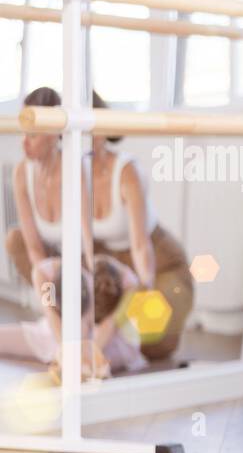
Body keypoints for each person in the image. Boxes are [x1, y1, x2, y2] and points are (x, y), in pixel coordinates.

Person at [5, 87, 195, 361]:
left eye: (90, 130)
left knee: (154, 341)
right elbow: (67, 251)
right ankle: (71, 332)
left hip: (155, 258)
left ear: (103, 129)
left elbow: (142, 248)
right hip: (107, 262)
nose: (83, 140)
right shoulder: (70, 169)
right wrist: (62, 317)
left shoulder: (125, 171)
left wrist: (140, 295)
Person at [0, 255, 147, 380]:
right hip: (55, 331)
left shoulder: (129, 286)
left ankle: (83, 366)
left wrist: (85, 355)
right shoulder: (45, 274)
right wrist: (67, 348)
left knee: (90, 362)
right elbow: (50, 312)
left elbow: (109, 325)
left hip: (108, 341)